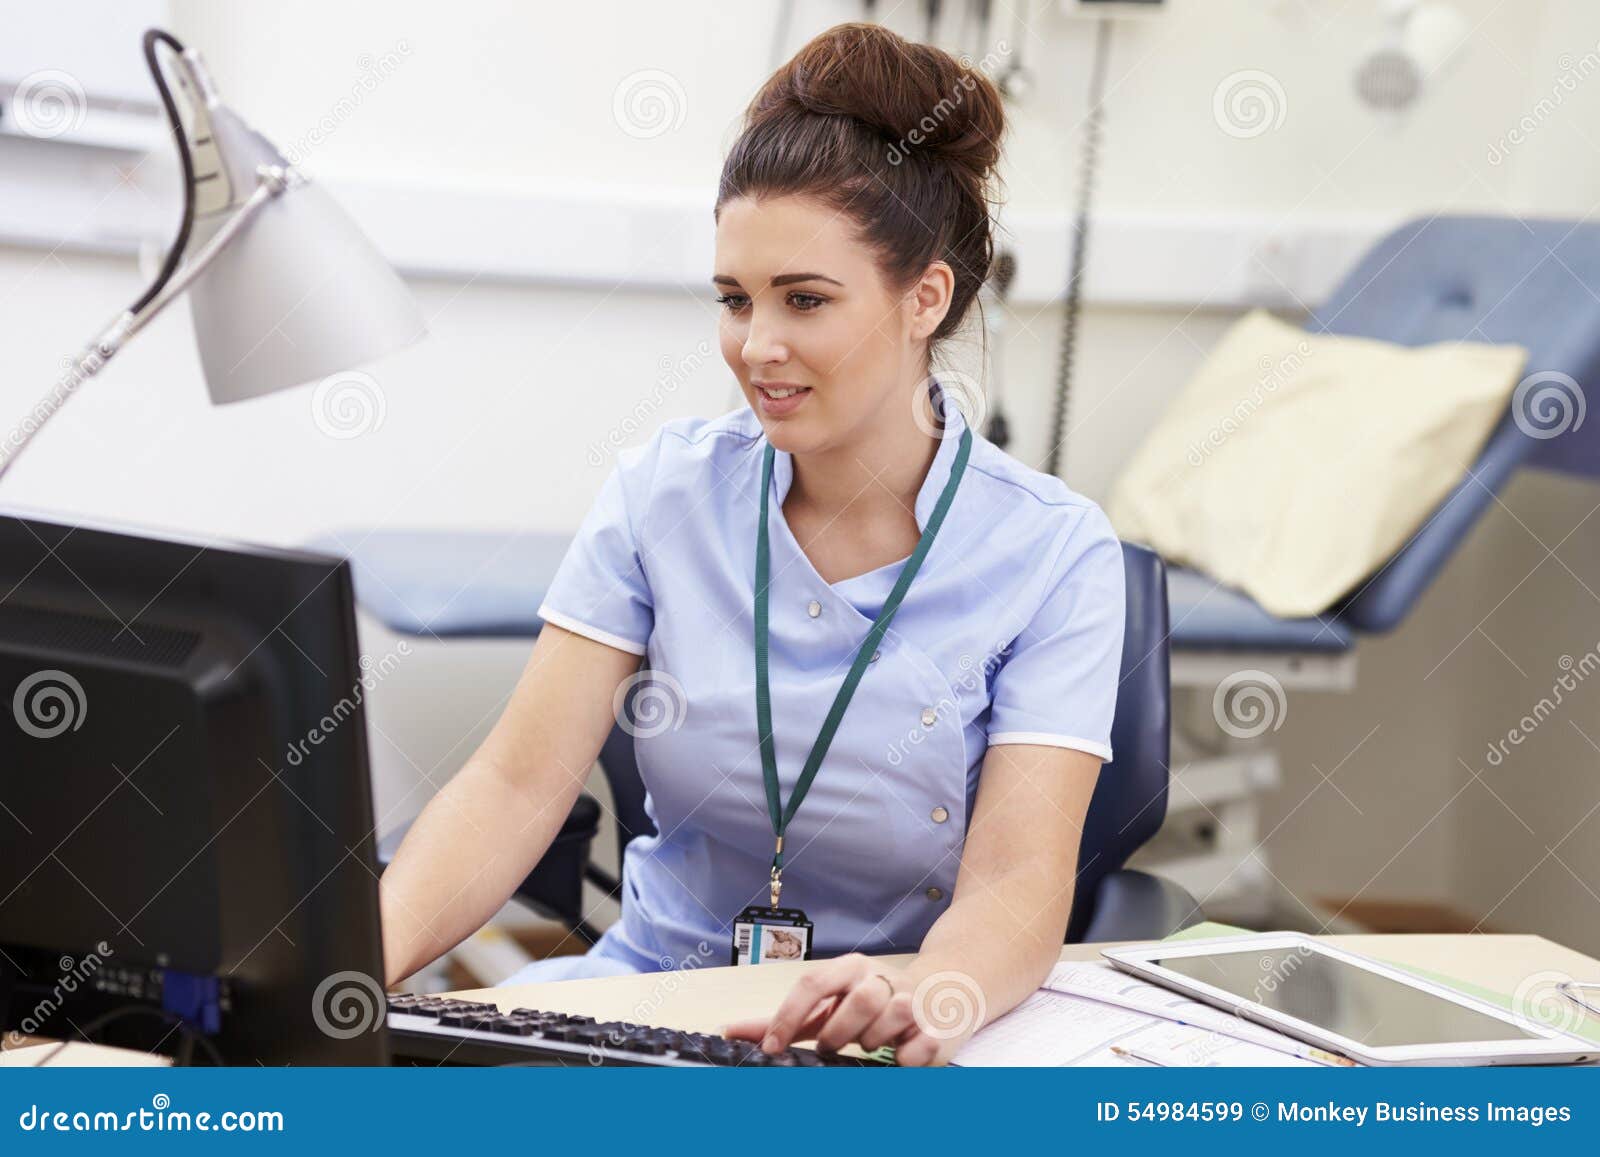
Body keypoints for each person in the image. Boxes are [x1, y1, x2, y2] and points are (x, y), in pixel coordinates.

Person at [379, 22, 1126, 1067]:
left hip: (888, 1029)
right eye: (735, 300)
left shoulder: (1053, 552)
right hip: (648, 1000)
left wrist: (927, 999)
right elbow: (514, 787)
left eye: (804, 300)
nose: (756, 346)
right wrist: (342, 972)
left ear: (926, 298)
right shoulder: (664, 492)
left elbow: (1016, 883)